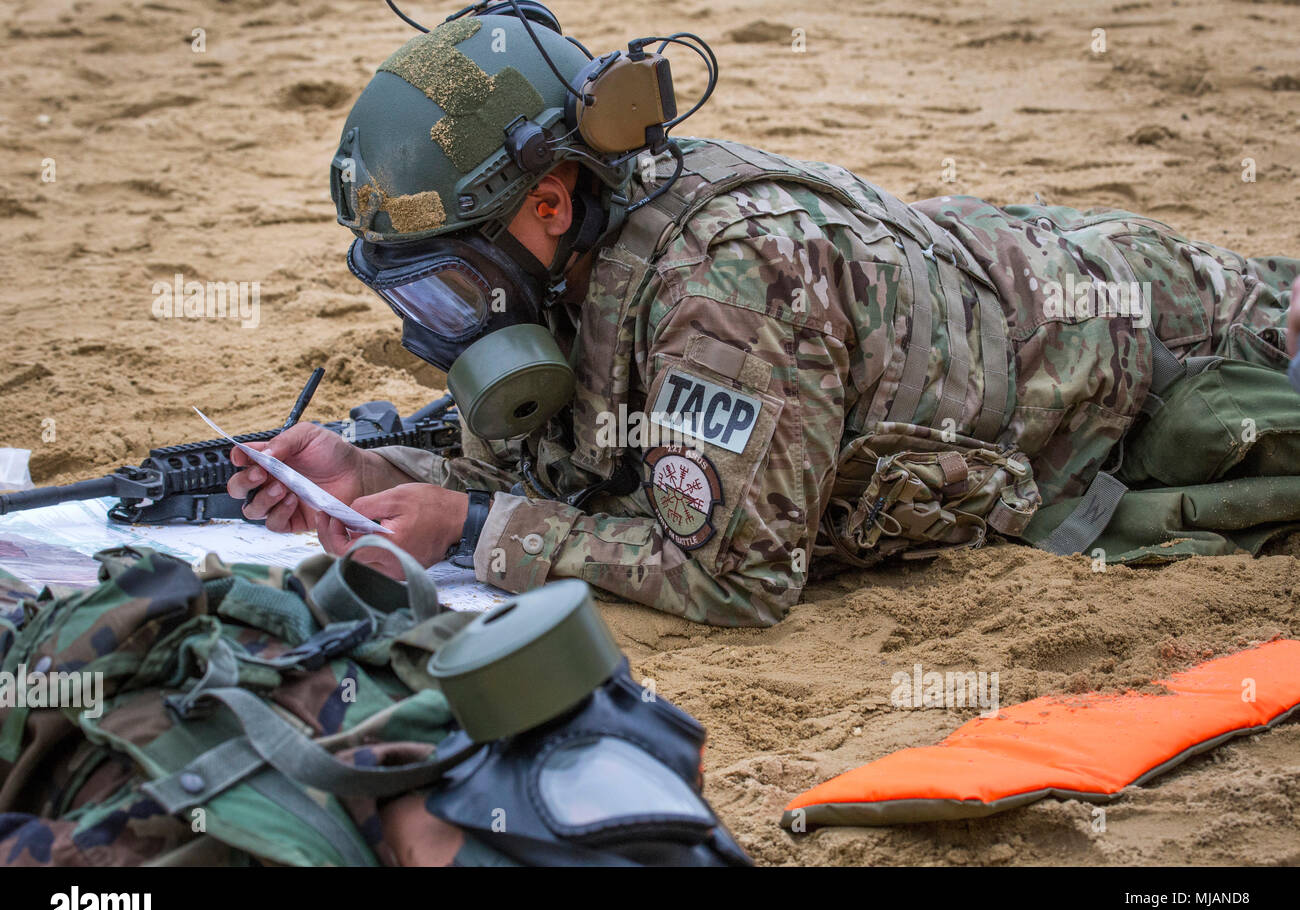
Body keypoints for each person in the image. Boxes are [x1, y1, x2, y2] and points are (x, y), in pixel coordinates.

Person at [228, 3, 1300, 626]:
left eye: (449, 285)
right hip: (979, 277)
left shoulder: (727, 293)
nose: (435, 324)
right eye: (405, 290)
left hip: (1137, 325)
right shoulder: (567, 260)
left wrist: (471, 531)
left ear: (551, 199)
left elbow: (738, 572)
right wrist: (381, 478)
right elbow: (572, 474)